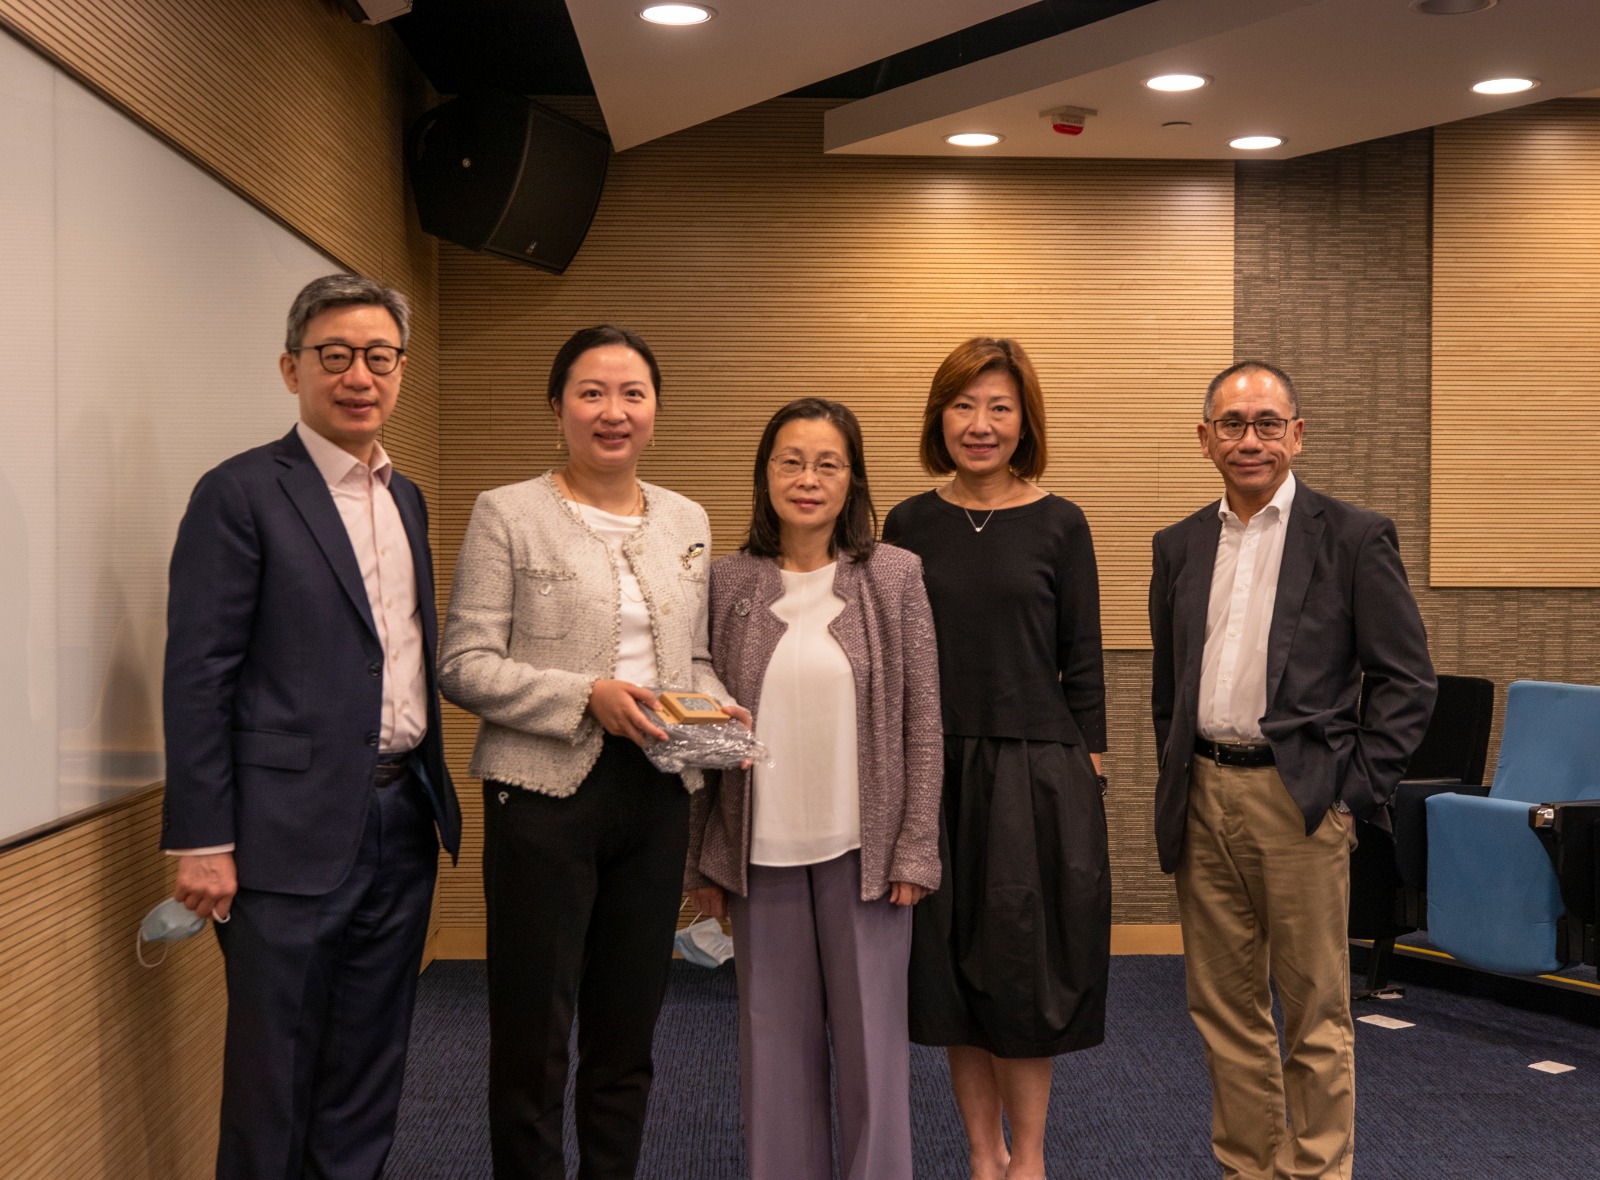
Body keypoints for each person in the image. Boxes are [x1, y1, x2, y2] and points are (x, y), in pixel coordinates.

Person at [162, 273, 462, 1180]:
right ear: (292, 369)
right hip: (280, 837)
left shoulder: (405, 497)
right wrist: (202, 839)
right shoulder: (241, 492)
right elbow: (200, 675)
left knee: (369, 1069)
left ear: (400, 370)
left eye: (379, 357)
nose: (358, 376)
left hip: (402, 817)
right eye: (335, 356)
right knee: (274, 1079)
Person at [438, 325, 746, 1180]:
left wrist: (717, 706)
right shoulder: (507, 512)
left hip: (657, 794)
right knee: (533, 1032)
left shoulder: (686, 518)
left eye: (633, 394)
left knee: (627, 1029)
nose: (614, 412)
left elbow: (691, 657)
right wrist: (586, 696)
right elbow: (464, 664)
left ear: (655, 410)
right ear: (557, 407)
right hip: (541, 797)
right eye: (592, 393)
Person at [1149, 360, 1436, 1180]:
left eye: (1268, 423)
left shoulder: (1352, 537)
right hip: (1203, 795)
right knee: (1224, 1010)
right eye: (1233, 424)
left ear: (1297, 435)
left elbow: (1407, 680)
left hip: (1303, 801)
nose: (1251, 440)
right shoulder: (1178, 545)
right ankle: (1248, 1167)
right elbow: (1171, 687)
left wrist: (1353, 791)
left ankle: (1314, 1171)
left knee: (1315, 1011)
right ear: (1205, 439)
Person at [685, 397, 941, 1180]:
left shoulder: (893, 575)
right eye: (790, 462)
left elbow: (923, 719)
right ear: (765, 474)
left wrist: (916, 846)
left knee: (874, 1056)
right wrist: (702, 860)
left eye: (828, 464)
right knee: (773, 1054)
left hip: (866, 856)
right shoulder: (725, 581)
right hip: (759, 856)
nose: (808, 479)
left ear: (852, 479)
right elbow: (700, 723)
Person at [884, 338, 1110, 1180]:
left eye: (999, 408)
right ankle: (984, 1156)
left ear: (1025, 422)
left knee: (1021, 974)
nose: (980, 424)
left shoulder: (1062, 522)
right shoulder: (907, 523)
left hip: (1033, 772)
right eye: (963, 406)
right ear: (939, 418)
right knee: (950, 975)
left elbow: (1083, 660)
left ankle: (1031, 1160)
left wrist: (1088, 773)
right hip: (933, 770)